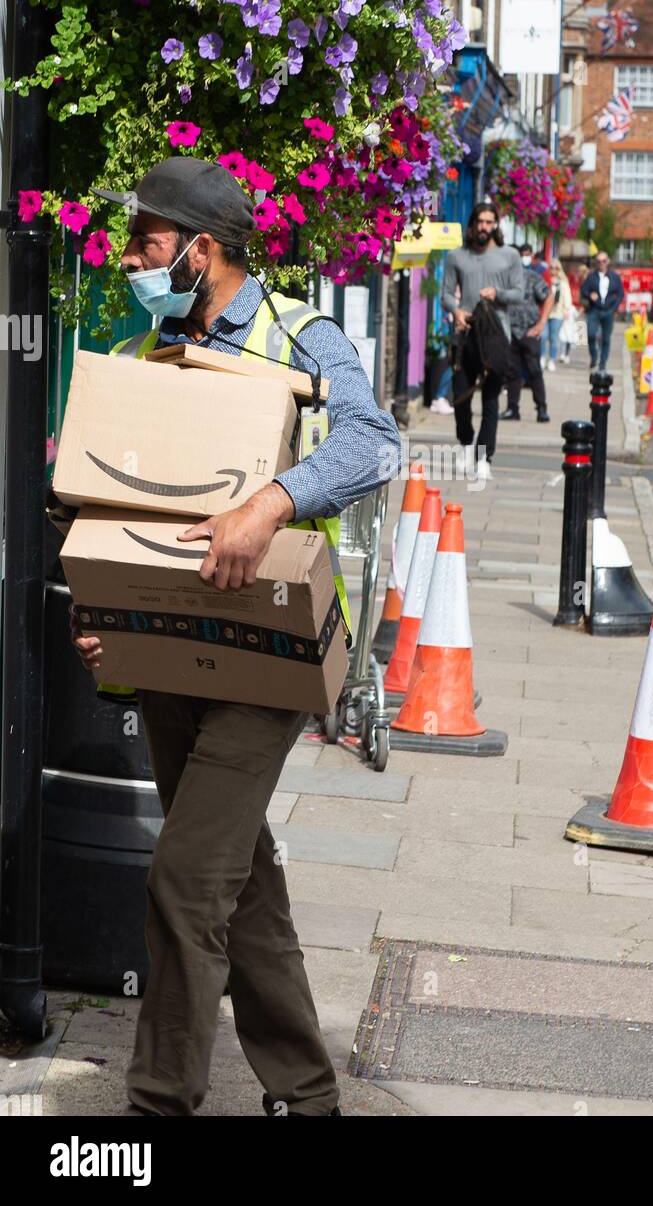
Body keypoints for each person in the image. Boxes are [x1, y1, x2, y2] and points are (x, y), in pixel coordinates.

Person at [70, 156, 401, 1117]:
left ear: (200, 249)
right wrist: (107, 625)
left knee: (182, 879)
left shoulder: (304, 335)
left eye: (147, 241)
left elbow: (372, 441)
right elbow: (114, 500)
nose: (131, 256)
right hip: (172, 647)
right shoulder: (156, 350)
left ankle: (157, 1104)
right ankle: (306, 1094)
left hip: (267, 652)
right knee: (237, 879)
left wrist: (271, 504)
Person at [442, 201, 523, 477]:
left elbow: (519, 294)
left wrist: (497, 293)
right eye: (480, 221)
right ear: (472, 224)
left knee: (490, 400)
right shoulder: (456, 256)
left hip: (496, 338)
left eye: (489, 222)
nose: (484, 227)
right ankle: (466, 445)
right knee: (461, 395)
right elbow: (445, 295)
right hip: (465, 336)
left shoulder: (509, 256)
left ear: (496, 225)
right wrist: (456, 311)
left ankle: (484, 458)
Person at [501, 249, 553, 422]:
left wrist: (542, 323)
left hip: (529, 330)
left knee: (534, 371)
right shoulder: (502, 279)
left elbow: (548, 296)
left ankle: (542, 408)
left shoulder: (531, 277)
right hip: (509, 331)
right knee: (512, 372)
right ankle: (512, 408)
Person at [581, 251, 625, 373]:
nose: (601, 263)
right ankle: (594, 357)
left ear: (608, 261)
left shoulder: (614, 277)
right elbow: (583, 291)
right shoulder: (591, 276)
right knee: (590, 335)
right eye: (599, 261)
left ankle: (602, 364)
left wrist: (614, 307)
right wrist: (590, 295)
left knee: (606, 339)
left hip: (608, 311)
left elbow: (620, 294)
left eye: (604, 261)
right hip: (594, 310)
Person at [541, 258, 573, 372]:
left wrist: (566, 309)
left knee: (554, 338)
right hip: (545, 312)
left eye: (556, 268)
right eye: (551, 268)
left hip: (557, 313)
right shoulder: (544, 280)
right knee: (543, 336)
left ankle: (552, 359)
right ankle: (542, 357)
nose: (554, 270)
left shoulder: (563, 282)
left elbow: (567, 296)